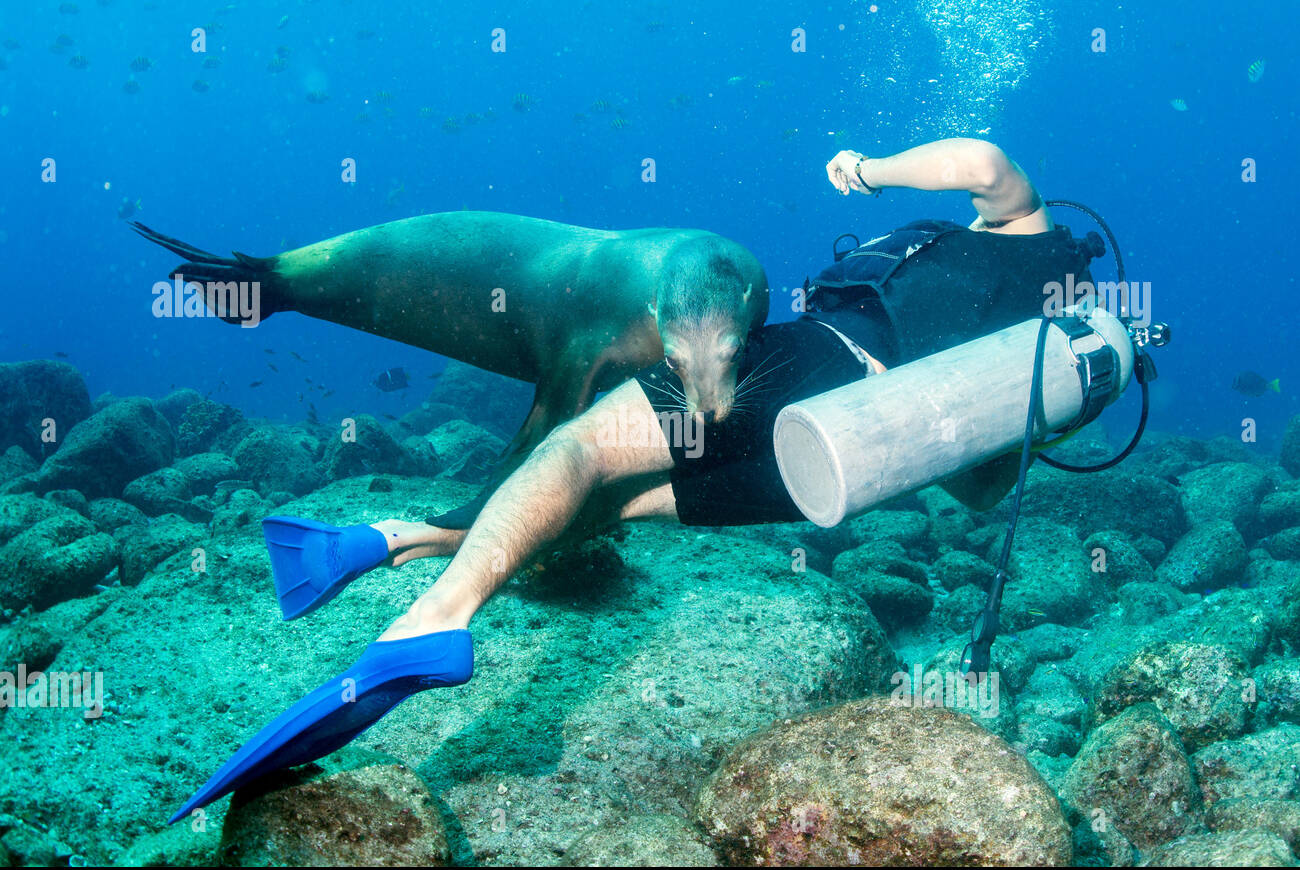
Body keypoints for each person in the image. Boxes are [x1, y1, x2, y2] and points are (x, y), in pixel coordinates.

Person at [167, 138, 1101, 822]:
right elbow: (977, 491)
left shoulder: (1018, 222)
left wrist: (867, 171)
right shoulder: (1046, 356)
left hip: (819, 366)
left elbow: (982, 163)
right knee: (624, 505)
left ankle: (432, 618)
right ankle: (391, 541)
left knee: (580, 457)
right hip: (853, 456)